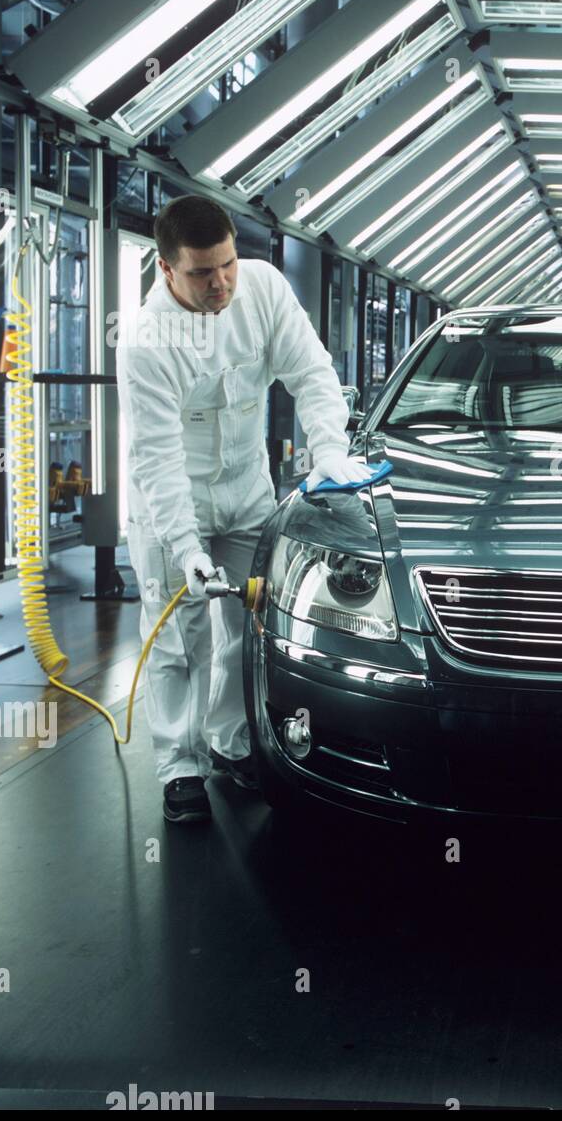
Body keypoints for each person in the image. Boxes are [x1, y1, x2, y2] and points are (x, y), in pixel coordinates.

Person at [116, 196, 366, 824]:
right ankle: (179, 768)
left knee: (245, 630)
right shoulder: (146, 341)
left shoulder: (262, 289)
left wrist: (329, 450)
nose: (220, 283)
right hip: (172, 502)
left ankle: (230, 743)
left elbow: (311, 372)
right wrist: (185, 549)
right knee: (177, 637)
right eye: (202, 273)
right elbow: (158, 457)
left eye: (226, 263)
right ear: (167, 269)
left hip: (247, 489)